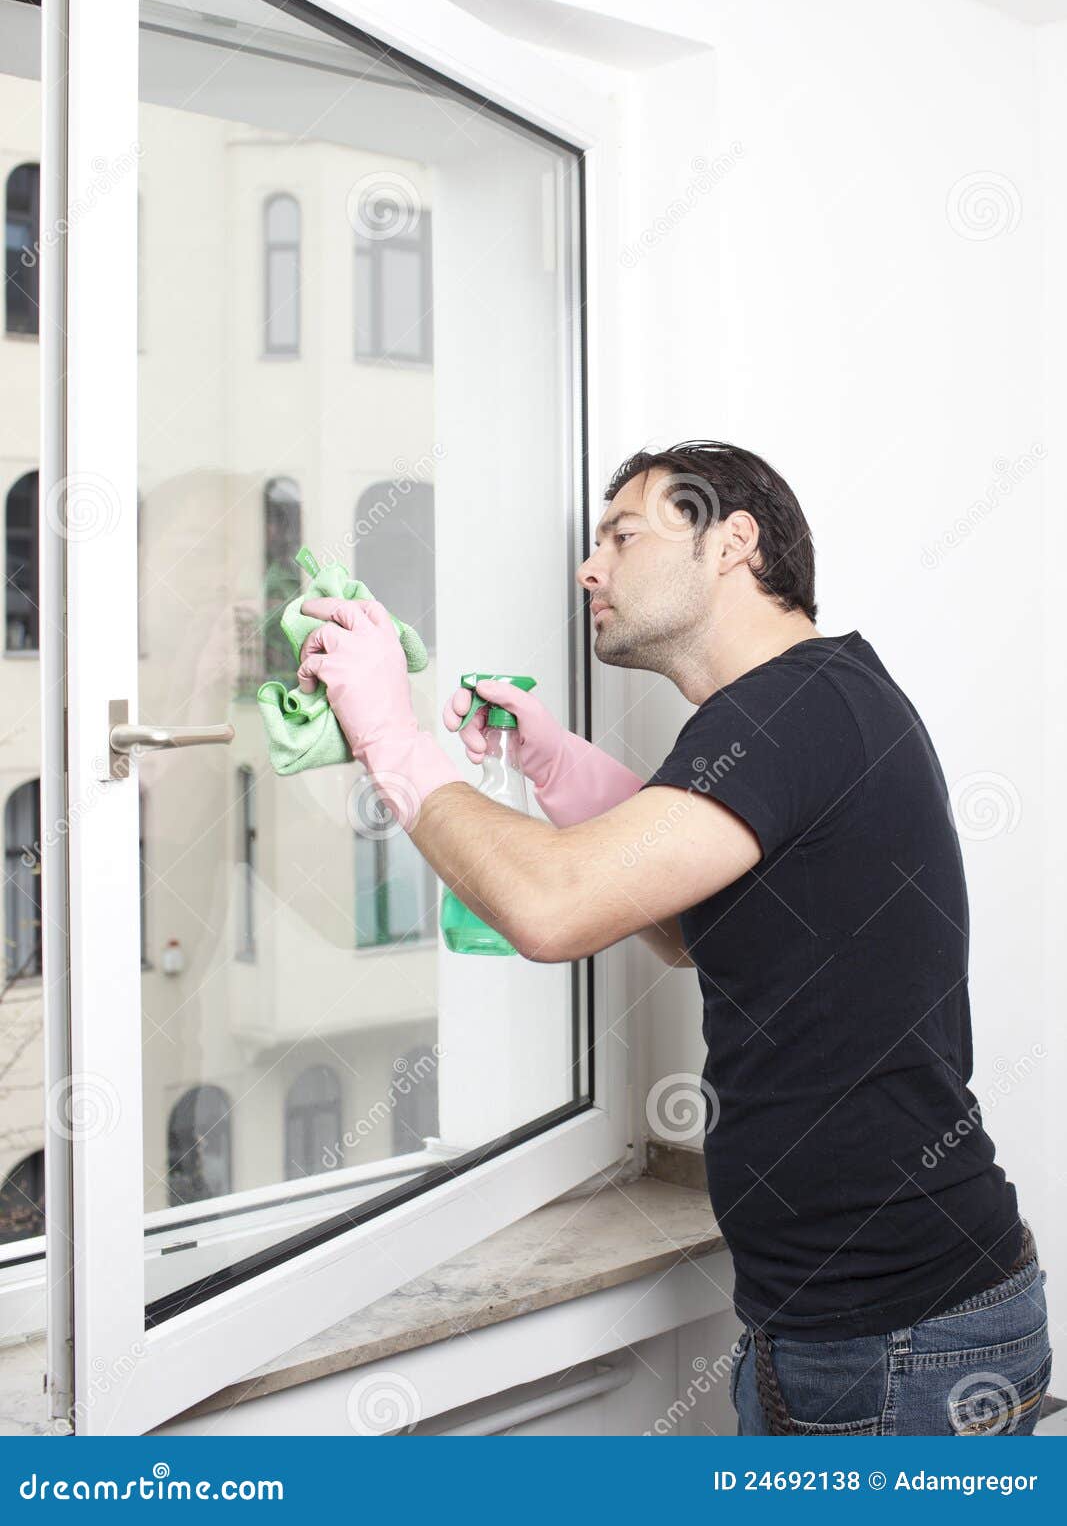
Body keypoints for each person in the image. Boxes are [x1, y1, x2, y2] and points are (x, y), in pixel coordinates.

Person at [296, 438, 1050, 1436]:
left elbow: (551, 909)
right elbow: (697, 927)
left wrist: (391, 739)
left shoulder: (789, 708)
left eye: (620, 533)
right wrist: (556, 765)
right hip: (889, 1325)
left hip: (889, 1344)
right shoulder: (808, 701)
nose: (587, 565)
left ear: (732, 541)